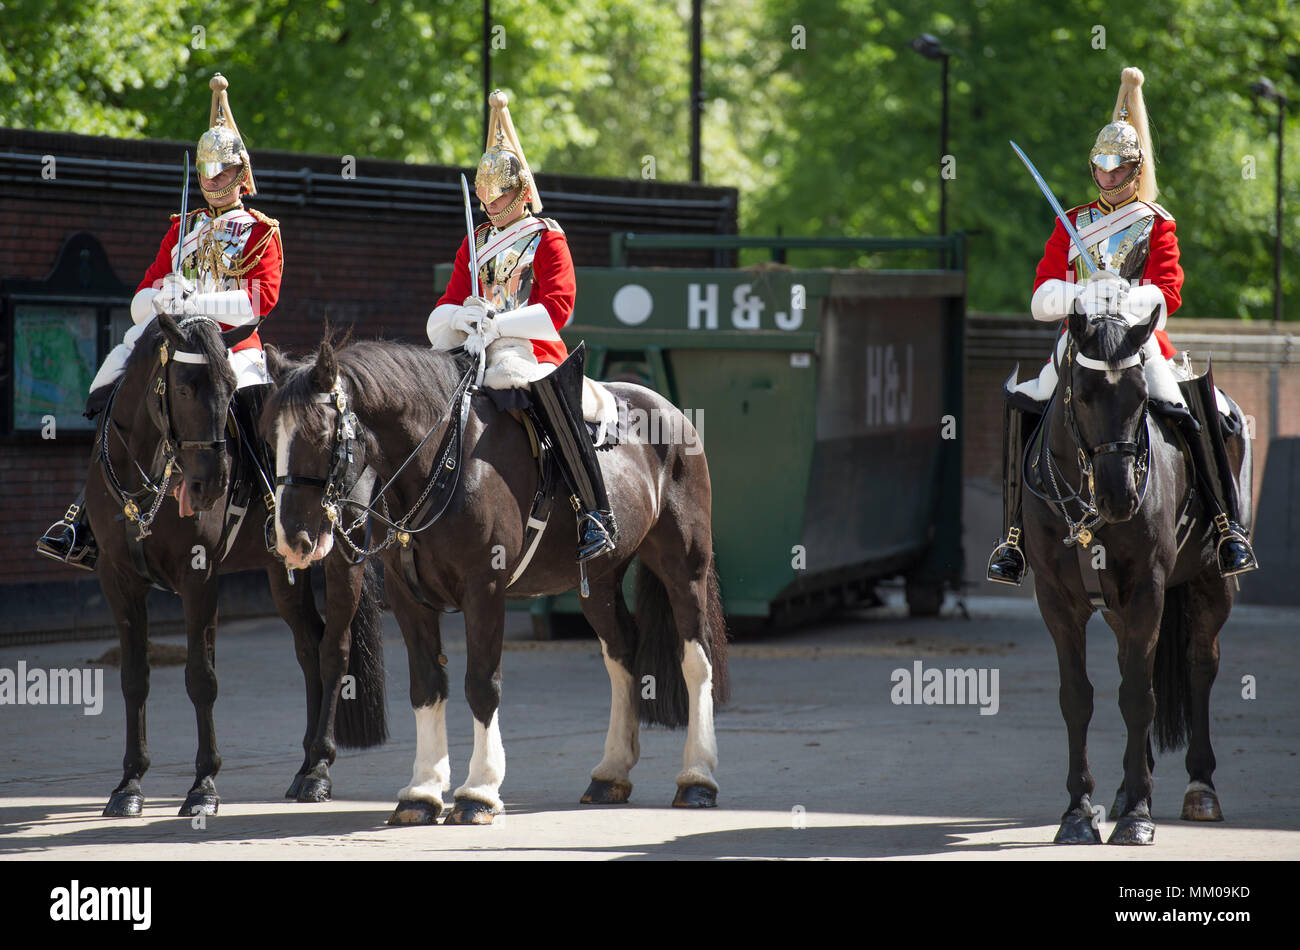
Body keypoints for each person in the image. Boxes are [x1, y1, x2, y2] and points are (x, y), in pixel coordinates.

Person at [987, 66, 1257, 586]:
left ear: (1135, 170)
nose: (1108, 178)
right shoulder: (1072, 222)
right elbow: (1042, 297)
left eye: (1118, 169)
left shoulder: (1157, 222)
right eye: (1101, 168)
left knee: (1189, 403)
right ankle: (1014, 537)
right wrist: (1080, 293)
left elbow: (1170, 292)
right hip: (1082, 340)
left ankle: (1225, 526)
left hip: (1138, 341)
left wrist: (1129, 299)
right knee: (1027, 399)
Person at [37, 73, 282, 570]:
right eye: (207, 173)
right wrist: (163, 296)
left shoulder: (260, 232)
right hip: (173, 342)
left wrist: (201, 302)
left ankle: (273, 508)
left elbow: (262, 299)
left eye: (223, 172)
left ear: (241, 173)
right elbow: (141, 296)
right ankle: (83, 517)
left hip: (231, 346)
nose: (212, 182)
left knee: (258, 406)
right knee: (114, 397)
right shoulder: (181, 229)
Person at [426, 89, 616, 563]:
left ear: (522, 190)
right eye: (484, 195)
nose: (490, 203)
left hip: (530, 349)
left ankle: (595, 512)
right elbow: (447, 302)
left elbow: (557, 309)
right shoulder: (475, 243)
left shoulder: (546, 235)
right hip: (476, 346)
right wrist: (458, 316)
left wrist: (498, 321)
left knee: (547, 397)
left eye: (500, 193)